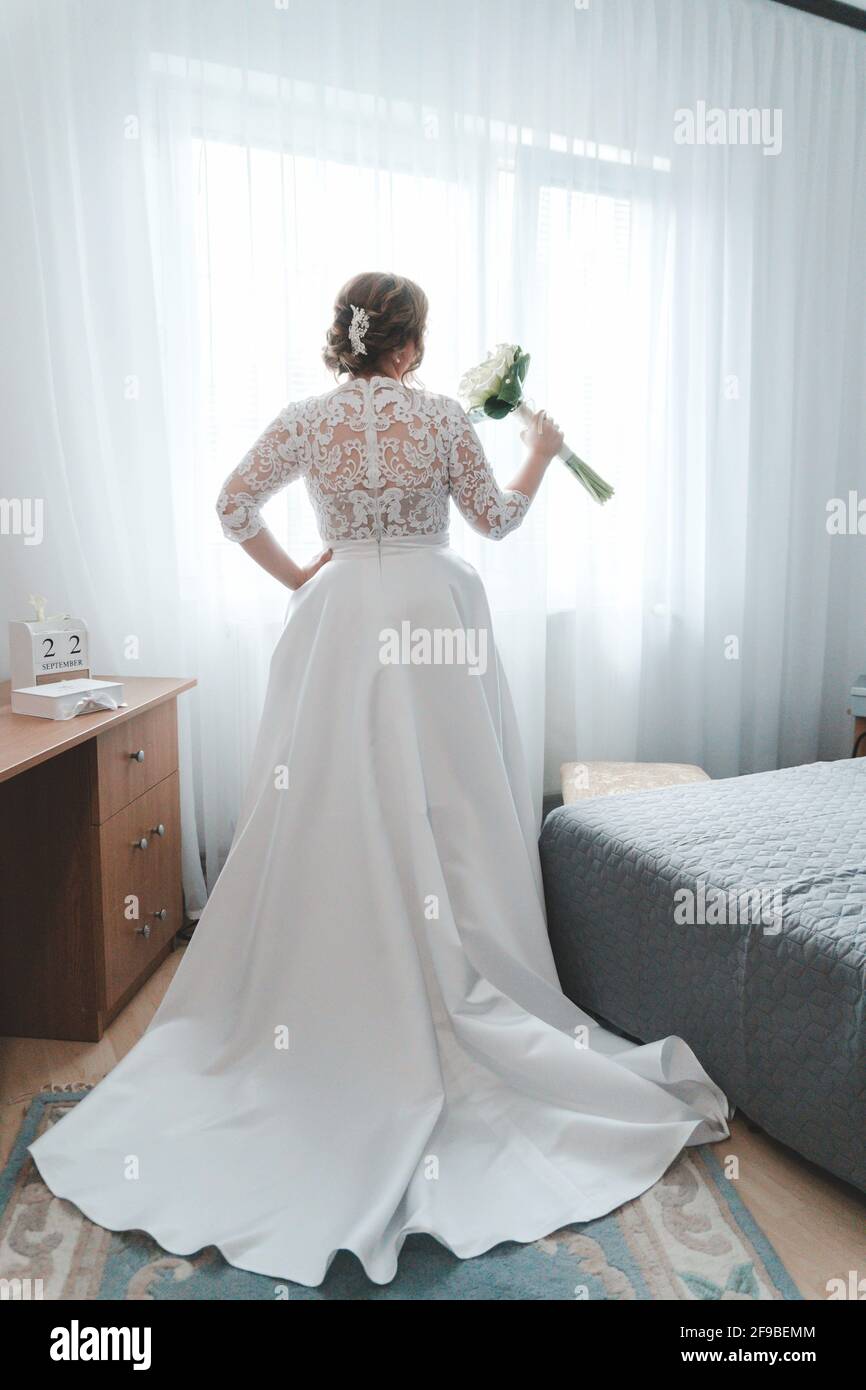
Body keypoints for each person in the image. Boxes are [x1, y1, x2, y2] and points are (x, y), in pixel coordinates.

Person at [29, 271, 728, 1288]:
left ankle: (320, 993)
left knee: (325, 803)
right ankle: (462, 974)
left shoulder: (303, 420)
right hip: (435, 615)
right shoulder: (443, 416)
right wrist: (536, 454)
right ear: (406, 346)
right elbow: (492, 521)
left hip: (342, 616)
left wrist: (303, 574)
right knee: (454, 807)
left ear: (348, 339)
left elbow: (232, 505)